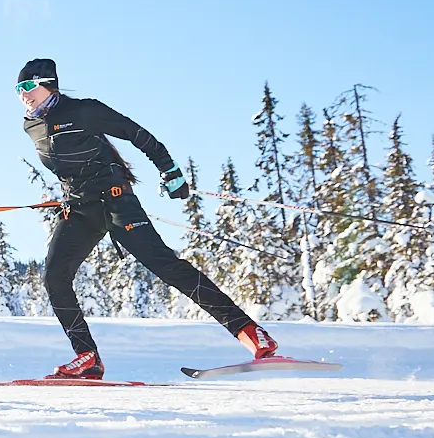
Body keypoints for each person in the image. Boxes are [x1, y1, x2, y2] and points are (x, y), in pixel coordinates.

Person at [17, 57, 278, 379]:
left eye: (28, 86)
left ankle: (252, 333)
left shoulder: (84, 110)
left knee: (167, 267)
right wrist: (66, 198)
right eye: (18, 89)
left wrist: (169, 170)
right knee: (55, 277)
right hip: (80, 210)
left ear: (48, 84)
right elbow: (69, 167)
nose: (23, 94)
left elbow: (137, 134)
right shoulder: (31, 126)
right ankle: (87, 356)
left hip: (115, 203)